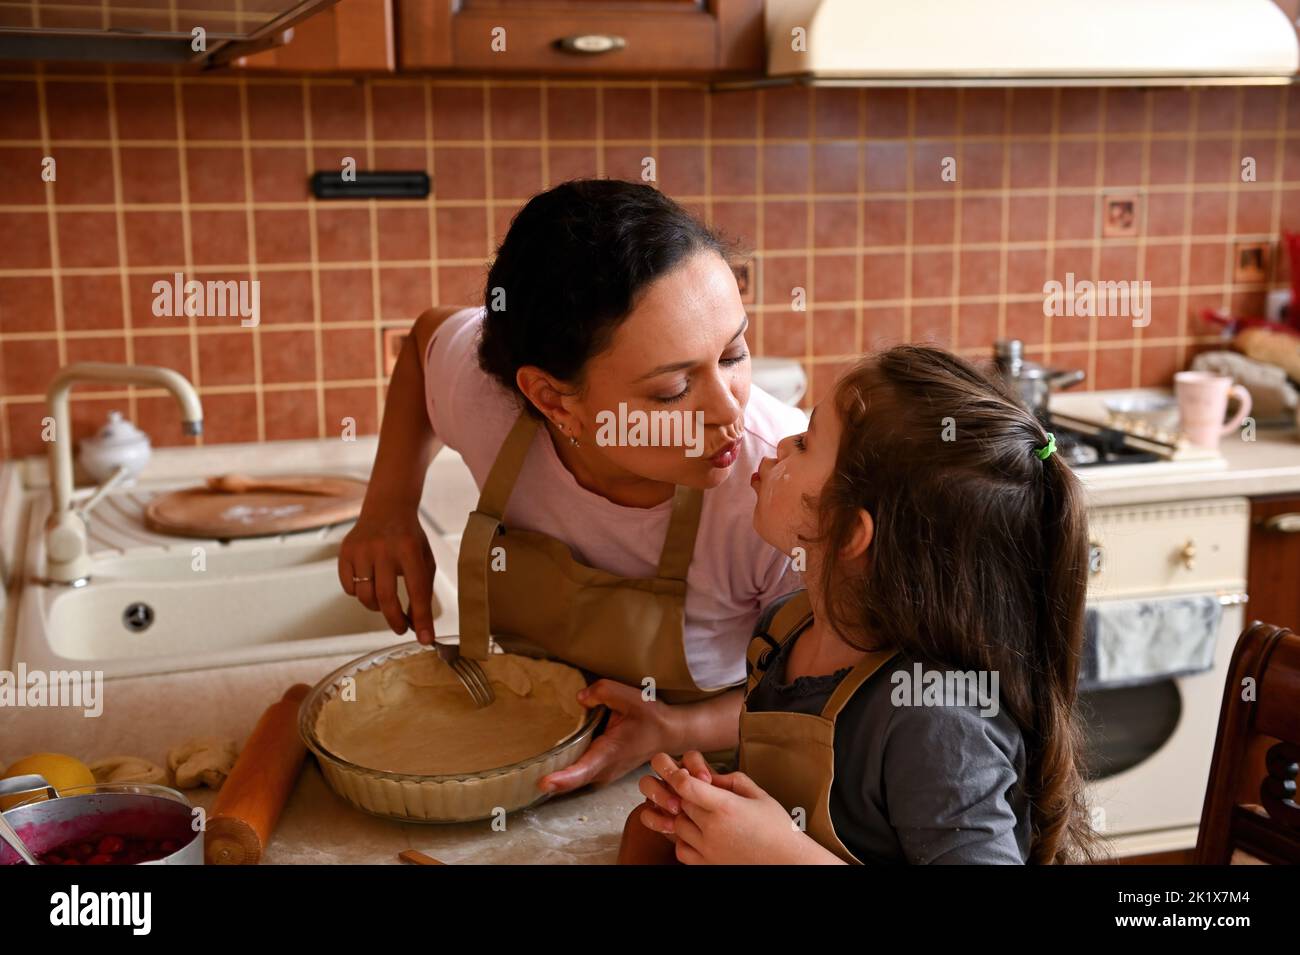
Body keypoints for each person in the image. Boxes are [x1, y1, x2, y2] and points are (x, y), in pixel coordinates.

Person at [338, 179, 807, 793]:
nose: (728, 412)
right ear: (551, 398)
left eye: (733, 353)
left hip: (696, 779)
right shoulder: (490, 402)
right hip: (518, 745)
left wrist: (671, 728)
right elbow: (429, 336)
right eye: (672, 391)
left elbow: (828, 694)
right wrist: (388, 507)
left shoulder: (780, 488)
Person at [623, 345, 1103, 864]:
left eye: (806, 443)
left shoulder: (936, 717)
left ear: (852, 529)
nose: (780, 443)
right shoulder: (783, 631)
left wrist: (779, 855)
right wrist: (709, 813)